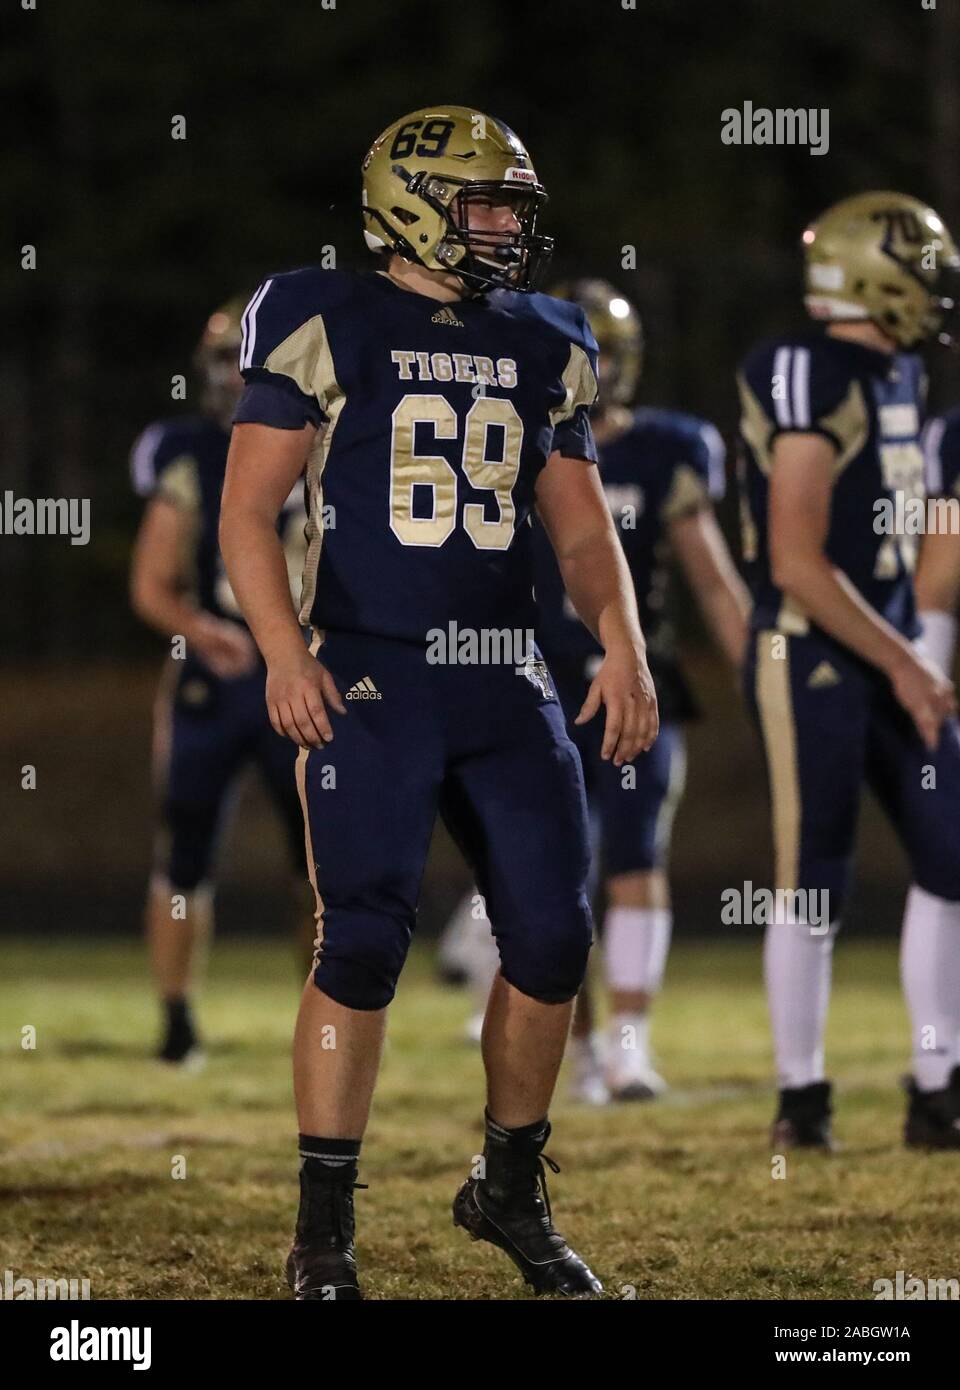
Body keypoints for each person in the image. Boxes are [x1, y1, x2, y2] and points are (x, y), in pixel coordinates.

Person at [219, 105, 659, 1299]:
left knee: (555, 938)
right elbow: (248, 509)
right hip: (372, 666)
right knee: (362, 936)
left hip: (505, 670)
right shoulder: (324, 314)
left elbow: (578, 528)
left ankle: (508, 1190)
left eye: (514, 206)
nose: (510, 229)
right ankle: (323, 1229)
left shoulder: (543, 337)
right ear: (413, 201)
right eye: (488, 205)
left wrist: (621, 644)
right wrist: (281, 649)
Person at [440, 280, 750, 1104]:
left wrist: (762, 664)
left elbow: (712, 579)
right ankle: (574, 1053)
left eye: (605, 353)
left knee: (638, 849)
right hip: (526, 674)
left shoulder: (664, 449)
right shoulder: (501, 436)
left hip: (628, 670)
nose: (593, 368)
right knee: (549, 867)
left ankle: (628, 1047)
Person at [736, 191, 960, 1149]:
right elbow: (795, 560)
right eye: (923, 267)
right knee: (811, 879)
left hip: (892, 646)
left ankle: (937, 1085)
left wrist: (918, 643)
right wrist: (911, 659)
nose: (936, 288)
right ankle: (803, 1100)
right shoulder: (803, 367)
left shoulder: (901, 372)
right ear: (875, 272)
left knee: (951, 854)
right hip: (811, 649)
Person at [130, 302, 312, 1066]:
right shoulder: (190, 451)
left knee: (326, 858)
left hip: (306, 669)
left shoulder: (335, 435)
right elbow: (152, 583)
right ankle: (175, 1018)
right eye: (227, 363)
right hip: (223, 675)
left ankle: (327, 1019)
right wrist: (200, 630)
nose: (237, 379)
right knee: (188, 850)